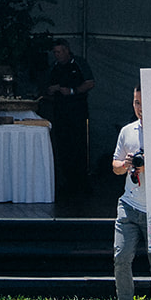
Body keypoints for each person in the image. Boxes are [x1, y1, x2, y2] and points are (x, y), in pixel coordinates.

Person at [107, 85, 151, 300]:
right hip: (129, 206)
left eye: (143, 103)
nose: (140, 108)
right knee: (121, 258)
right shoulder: (127, 131)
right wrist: (126, 164)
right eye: (136, 103)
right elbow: (115, 165)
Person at [45, 39, 94, 195]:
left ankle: (81, 183)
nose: (57, 55)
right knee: (63, 147)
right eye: (55, 52)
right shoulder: (54, 67)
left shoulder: (78, 63)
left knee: (78, 147)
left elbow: (90, 82)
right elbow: (48, 87)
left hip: (77, 113)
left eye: (59, 52)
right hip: (60, 113)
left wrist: (73, 91)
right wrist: (52, 90)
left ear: (67, 51)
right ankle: (67, 182)